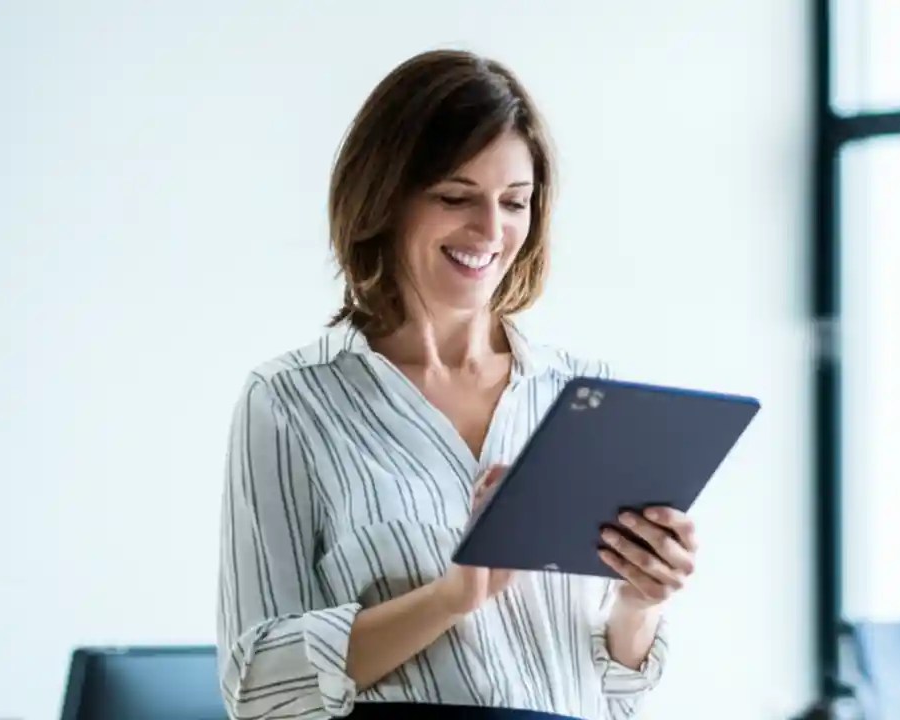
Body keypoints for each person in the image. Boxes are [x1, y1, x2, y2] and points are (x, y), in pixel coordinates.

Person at [215, 50, 698, 720]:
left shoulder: (583, 395)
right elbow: (256, 684)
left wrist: (640, 602)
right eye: (455, 197)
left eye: (514, 202)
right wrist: (451, 596)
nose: (491, 231)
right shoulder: (291, 402)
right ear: (384, 198)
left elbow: (615, 690)